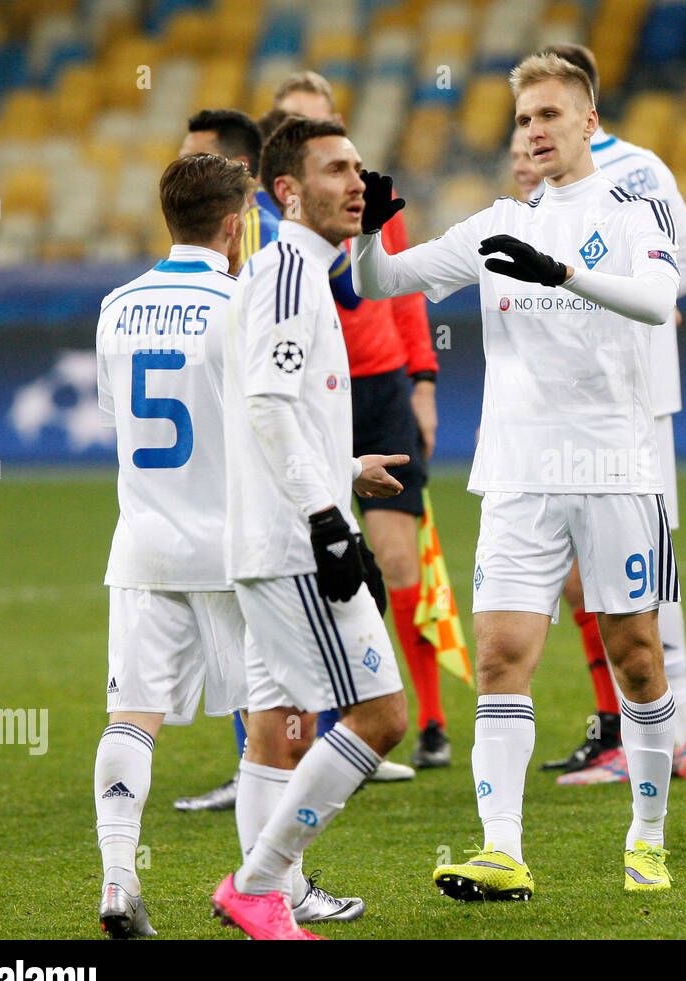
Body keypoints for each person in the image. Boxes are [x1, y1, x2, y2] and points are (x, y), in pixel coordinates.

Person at [354, 52, 682, 896]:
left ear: (589, 124)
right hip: (520, 471)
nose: (533, 130)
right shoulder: (498, 223)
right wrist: (366, 230)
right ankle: (503, 849)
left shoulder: (633, 208)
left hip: (616, 465)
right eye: (523, 118)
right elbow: (384, 282)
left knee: (636, 656)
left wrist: (565, 273)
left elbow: (658, 299)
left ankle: (646, 835)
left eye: (549, 115)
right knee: (501, 654)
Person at [173, 102, 415, 814]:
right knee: (381, 718)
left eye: (356, 168)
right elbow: (269, 407)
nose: (357, 183)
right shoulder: (287, 273)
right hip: (294, 545)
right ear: (286, 191)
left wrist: (342, 471)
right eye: (336, 169)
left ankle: (277, 895)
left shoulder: (296, 269)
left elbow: (273, 409)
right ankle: (257, 882)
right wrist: (326, 518)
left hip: (272, 539)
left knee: (281, 734)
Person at [532, 43, 686, 785]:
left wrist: (641, 294)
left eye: (548, 109)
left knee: (640, 576)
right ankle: (658, 734)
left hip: (630, 400)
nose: (537, 125)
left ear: (583, 104)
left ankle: (678, 736)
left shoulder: (634, 172)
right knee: (603, 575)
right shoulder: (549, 182)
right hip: (576, 404)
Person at [93, 153, 253, 937]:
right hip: (234, 550)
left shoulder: (117, 306)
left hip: (145, 546)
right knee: (273, 718)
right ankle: (272, 888)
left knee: (131, 718)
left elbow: (116, 421)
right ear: (233, 225)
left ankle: (119, 880)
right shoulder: (242, 299)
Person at [277, 72, 451, 771]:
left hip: (378, 390)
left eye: (314, 123)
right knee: (310, 563)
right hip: (304, 396)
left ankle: (430, 717)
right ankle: (337, 721)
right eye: (287, 126)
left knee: (399, 559)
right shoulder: (264, 215)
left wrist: (425, 384)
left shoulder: (369, 197)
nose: (302, 135)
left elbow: (405, 298)